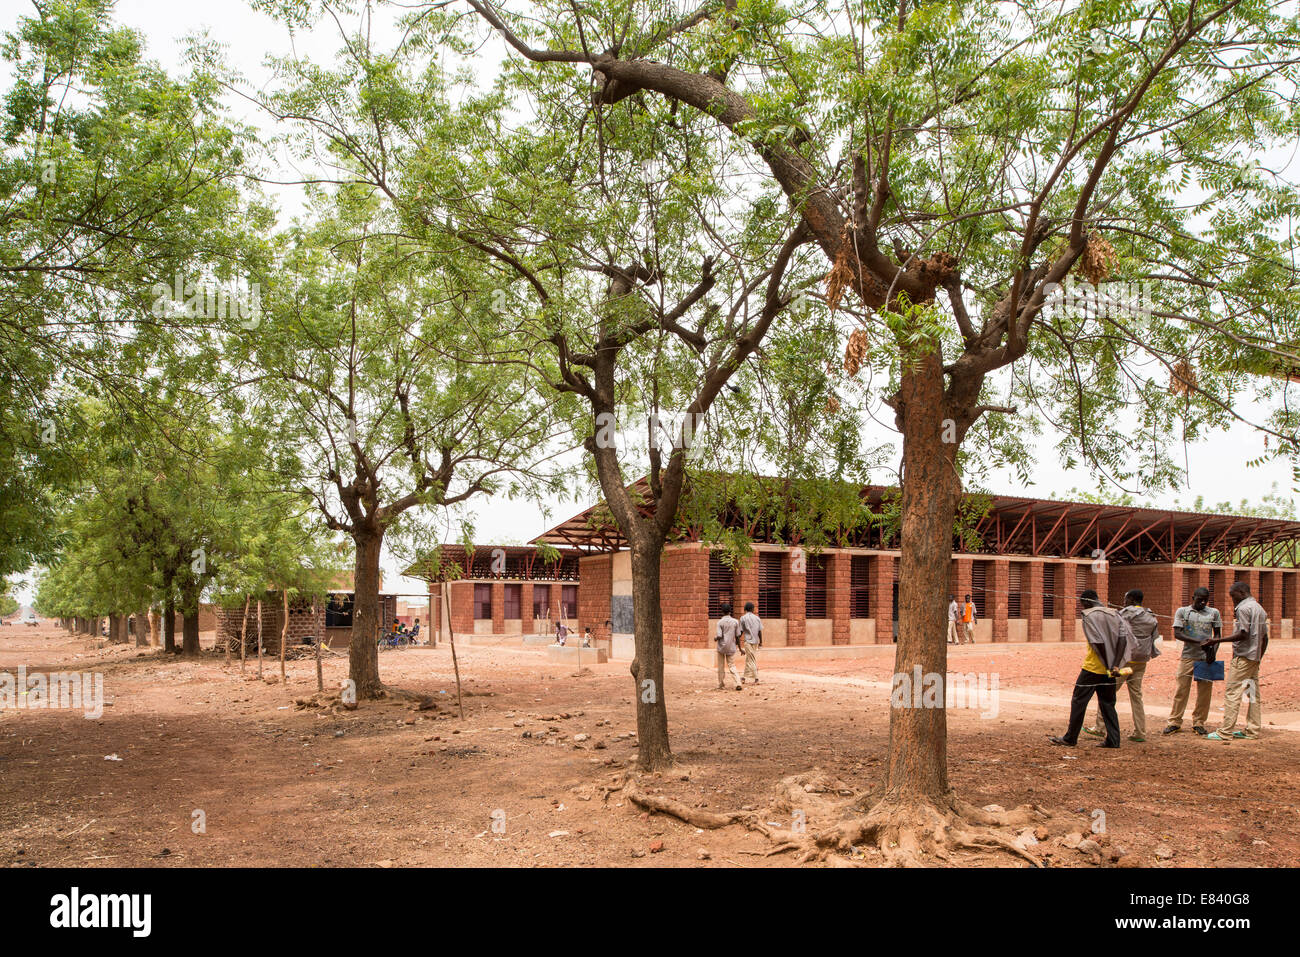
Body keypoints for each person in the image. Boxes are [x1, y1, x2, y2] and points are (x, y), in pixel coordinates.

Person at [1050, 589, 1137, 749]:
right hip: (1111, 669)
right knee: (1108, 703)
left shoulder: (1088, 615)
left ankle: (1070, 738)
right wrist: (1115, 664)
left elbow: (1097, 642)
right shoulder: (1115, 613)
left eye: (1082, 604)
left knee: (1078, 701)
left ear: (1086, 602)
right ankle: (1113, 740)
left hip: (1093, 668)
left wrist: (1107, 663)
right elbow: (1123, 639)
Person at [1084, 589, 1160, 742]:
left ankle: (1100, 727)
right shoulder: (1151, 616)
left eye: (1125, 599)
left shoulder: (1125, 614)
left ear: (1131, 599)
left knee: (1107, 692)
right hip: (1141, 662)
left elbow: (1116, 631)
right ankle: (1140, 732)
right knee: (1136, 696)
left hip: (1125, 662)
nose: (1124, 601)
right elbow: (1154, 637)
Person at [1205, 581, 1268, 741]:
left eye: (1233, 596)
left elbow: (1243, 634)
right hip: (1254, 658)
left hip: (1243, 657)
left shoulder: (1243, 608)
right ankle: (1252, 730)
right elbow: (1265, 637)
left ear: (1241, 592)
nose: (1232, 600)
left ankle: (1225, 731)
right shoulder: (1259, 608)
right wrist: (1259, 657)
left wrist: (1215, 641)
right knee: (1252, 694)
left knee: (1233, 692)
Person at [1163, 586, 1221, 736]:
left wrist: (1213, 653)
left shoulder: (1214, 613)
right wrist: (1198, 642)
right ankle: (1175, 722)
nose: (1202, 603)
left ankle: (1199, 722)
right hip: (1188, 656)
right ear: (1193, 598)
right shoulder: (1182, 612)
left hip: (1206, 658)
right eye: (1199, 599)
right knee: (1181, 689)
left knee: (1204, 693)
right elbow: (1178, 633)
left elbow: (1218, 635)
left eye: (1205, 600)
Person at [715, 602, 742, 691]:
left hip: (721, 648)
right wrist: (740, 648)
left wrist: (715, 638)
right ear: (730, 611)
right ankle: (738, 682)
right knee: (732, 665)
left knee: (721, 666)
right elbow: (738, 636)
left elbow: (719, 636)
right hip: (731, 646)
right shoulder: (735, 622)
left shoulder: (720, 622)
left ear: (722, 611)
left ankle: (721, 684)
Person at [739, 601, 763, 685]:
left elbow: (741, 631)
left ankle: (756, 678)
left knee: (751, 659)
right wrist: (761, 643)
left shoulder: (743, 618)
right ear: (753, 609)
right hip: (755, 641)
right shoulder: (757, 618)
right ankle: (744, 677)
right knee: (749, 659)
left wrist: (736, 640)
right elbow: (760, 631)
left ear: (745, 609)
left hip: (748, 641)